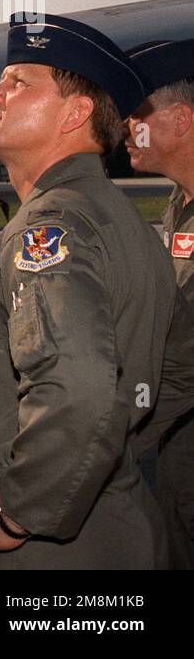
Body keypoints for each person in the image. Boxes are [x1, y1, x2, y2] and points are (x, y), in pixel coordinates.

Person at [0, 13, 174, 568]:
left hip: (57, 548)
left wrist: (22, 510)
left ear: (76, 114)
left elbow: (78, 386)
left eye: (18, 82)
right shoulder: (113, 216)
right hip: (107, 513)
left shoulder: (51, 226)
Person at [127, 37, 194, 569]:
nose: (128, 127)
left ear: (183, 119)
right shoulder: (181, 201)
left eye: (138, 113)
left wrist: (110, 437)